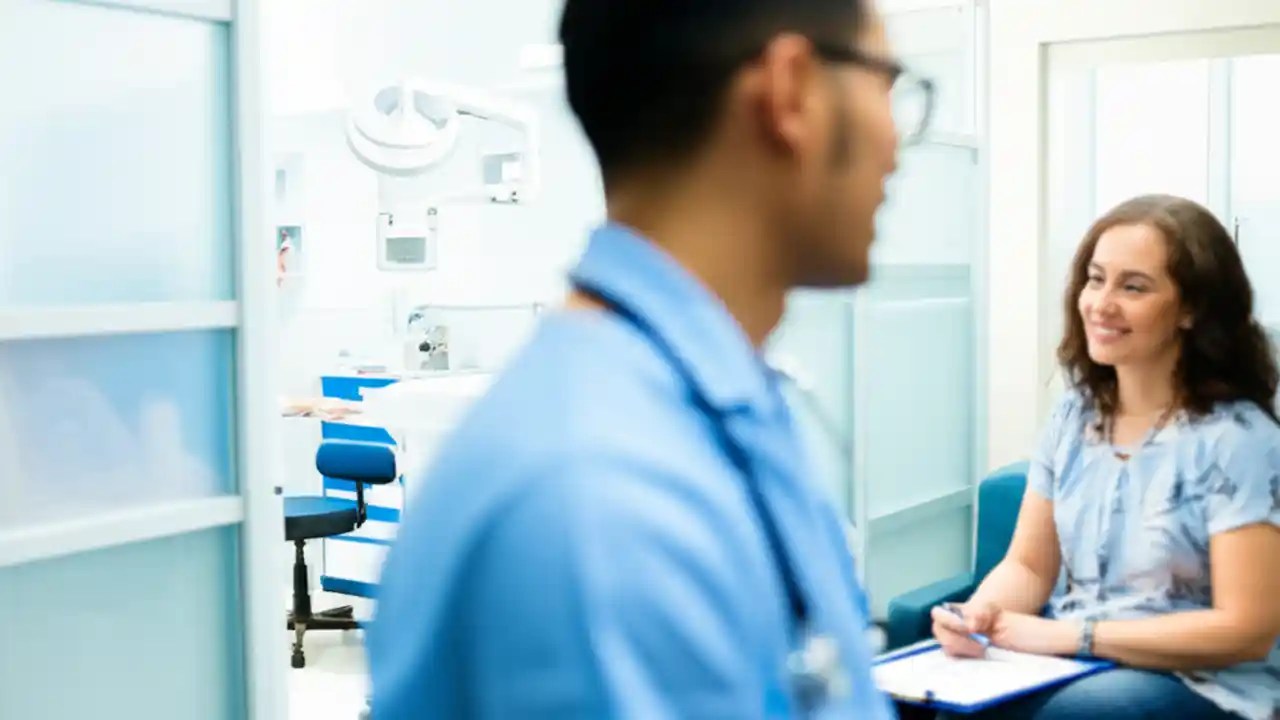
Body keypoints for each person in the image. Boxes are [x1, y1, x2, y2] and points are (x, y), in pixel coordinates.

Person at [367, 0, 925, 716]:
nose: (897, 147)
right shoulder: (603, 502)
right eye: (888, 83)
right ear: (791, 91)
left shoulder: (718, 408)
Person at [931, 195, 1280, 720]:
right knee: (954, 706)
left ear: (1191, 309)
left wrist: (1073, 635)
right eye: (1096, 279)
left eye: (1133, 286)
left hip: (1201, 684)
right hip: (1075, 661)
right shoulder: (1074, 415)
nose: (1101, 303)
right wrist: (980, 613)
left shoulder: (1237, 440)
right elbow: (1028, 565)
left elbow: (1246, 628)